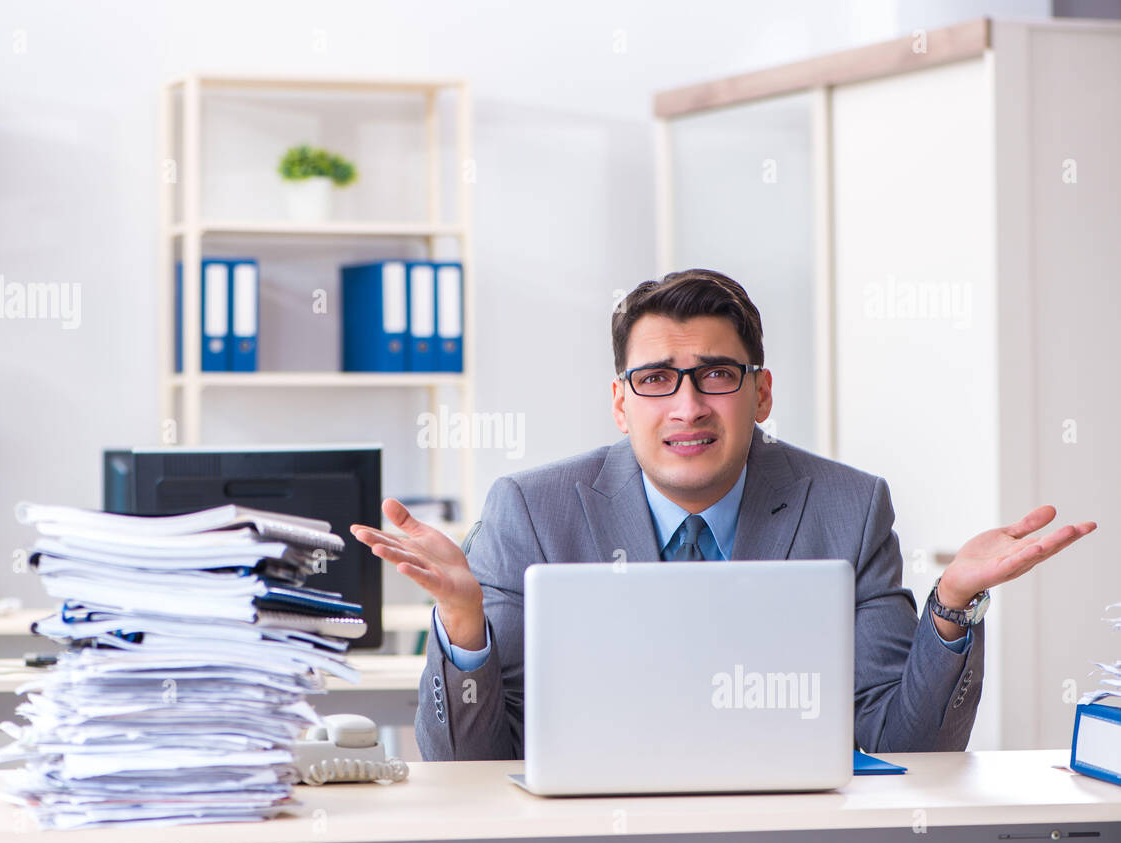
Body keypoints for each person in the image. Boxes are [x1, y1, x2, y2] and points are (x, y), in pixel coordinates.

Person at [350, 269, 1096, 759]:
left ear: (760, 393)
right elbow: (472, 763)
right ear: (621, 403)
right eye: (655, 379)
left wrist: (953, 606)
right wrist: (463, 622)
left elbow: (905, 747)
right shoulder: (532, 511)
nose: (688, 406)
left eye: (715, 375)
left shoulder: (848, 506)